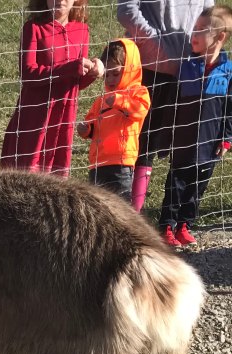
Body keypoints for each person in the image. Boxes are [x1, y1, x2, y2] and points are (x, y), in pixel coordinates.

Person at [117, 0, 209, 209]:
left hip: (188, 69)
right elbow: (126, 10)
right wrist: (156, 46)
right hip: (146, 66)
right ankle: (124, 211)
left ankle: (152, 215)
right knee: (134, 141)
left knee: (171, 143)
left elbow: (207, 14)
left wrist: (197, 50)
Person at [0, 0, 104, 176]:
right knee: (26, 174)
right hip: (35, 116)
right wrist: (70, 68)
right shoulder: (33, 28)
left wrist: (93, 73)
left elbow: (75, 83)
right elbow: (28, 75)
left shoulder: (82, 30)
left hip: (63, 116)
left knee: (56, 176)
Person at [157, 5, 232, 245]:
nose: (194, 35)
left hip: (210, 143)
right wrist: (166, 138)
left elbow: (230, 111)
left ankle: (184, 225)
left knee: (198, 186)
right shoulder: (186, 67)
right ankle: (166, 226)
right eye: (194, 29)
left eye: (201, 30)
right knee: (176, 184)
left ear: (220, 37)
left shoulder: (228, 72)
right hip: (182, 140)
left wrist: (226, 138)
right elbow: (171, 106)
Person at [77, 38, 151, 199]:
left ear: (130, 69)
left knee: (122, 207)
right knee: (99, 206)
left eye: (116, 74)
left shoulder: (138, 92)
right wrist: (85, 129)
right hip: (98, 163)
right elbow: (92, 123)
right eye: (107, 75)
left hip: (121, 162)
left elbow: (140, 111)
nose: (110, 80)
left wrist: (120, 100)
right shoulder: (101, 101)